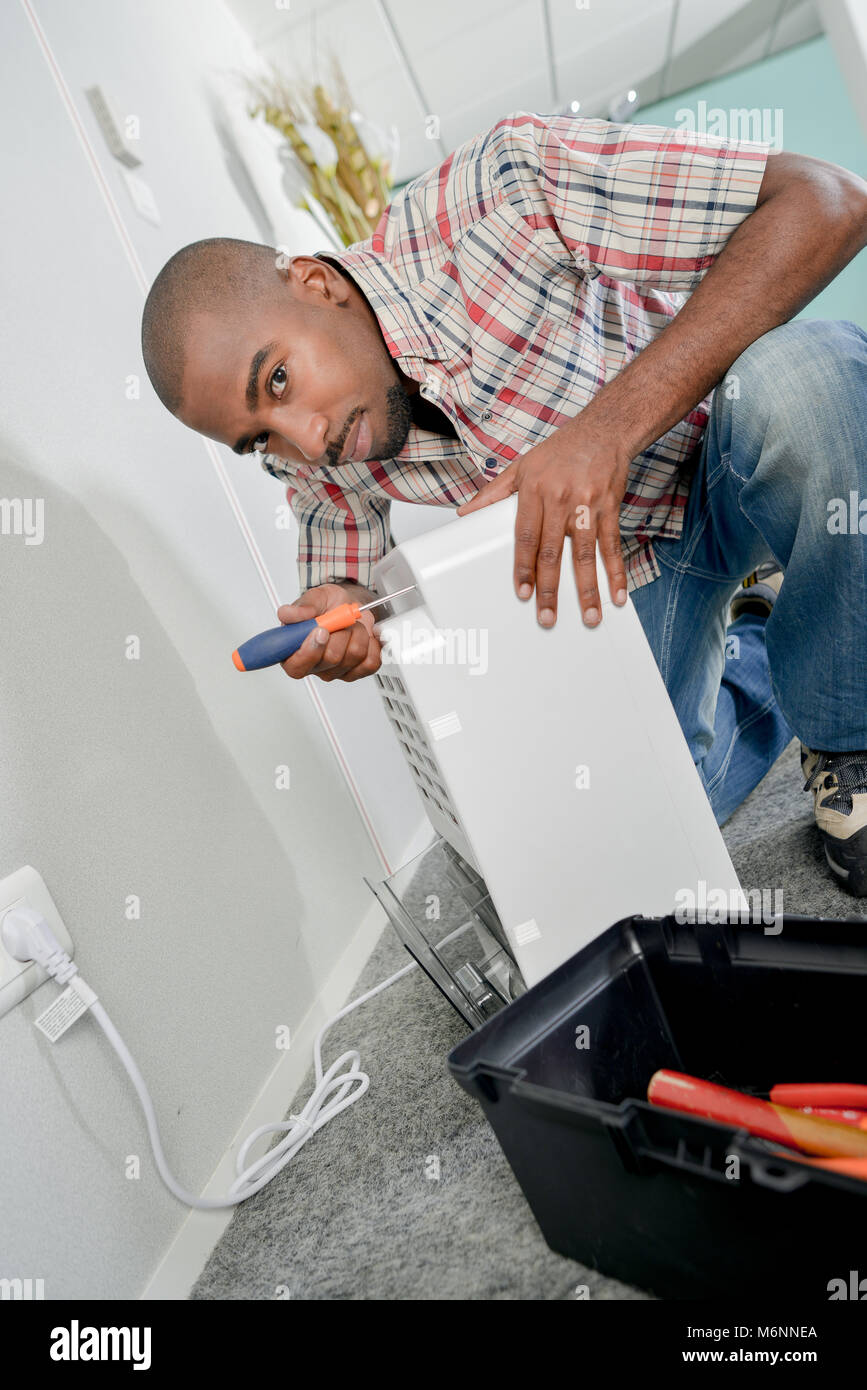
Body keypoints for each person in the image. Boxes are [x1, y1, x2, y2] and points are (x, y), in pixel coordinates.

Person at [141, 111, 867, 893]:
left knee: (809, 376)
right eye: (259, 439)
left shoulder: (499, 188)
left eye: (277, 380)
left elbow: (828, 202)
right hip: (625, 571)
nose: (303, 439)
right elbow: (344, 581)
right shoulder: (307, 454)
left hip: (736, 450)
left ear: (315, 285)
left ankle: (847, 736)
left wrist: (606, 430)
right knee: (640, 828)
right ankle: (766, 646)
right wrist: (344, 616)